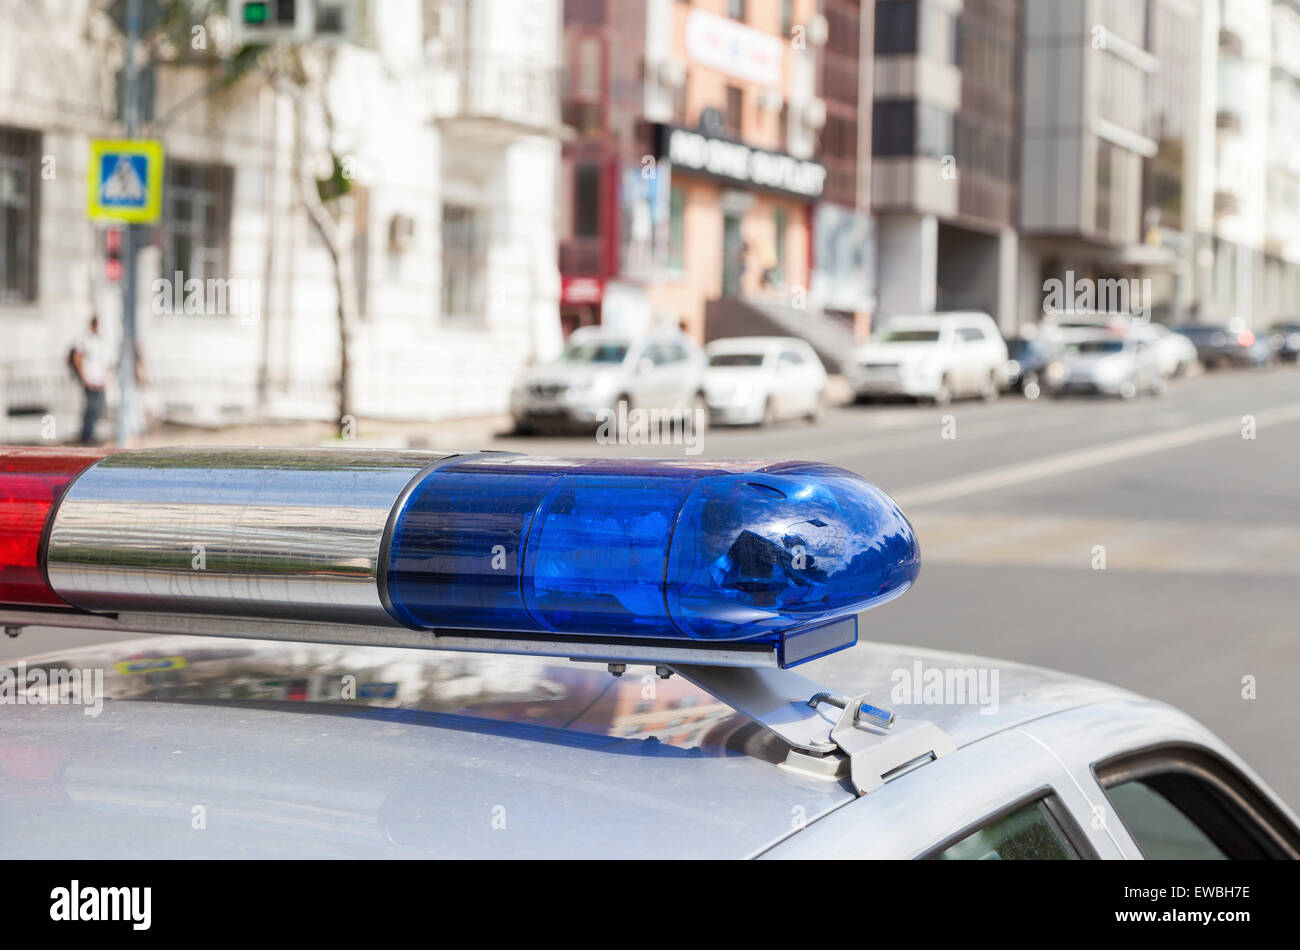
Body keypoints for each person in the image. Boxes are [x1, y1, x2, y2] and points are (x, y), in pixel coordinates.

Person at [72, 316, 109, 445]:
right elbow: (78, 359)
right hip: (89, 380)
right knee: (90, 408)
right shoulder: (85, 340)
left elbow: (103, 362)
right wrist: (84, 377)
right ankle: (86, 435)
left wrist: (104, 378)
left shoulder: (100, 341)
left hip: (99, 381)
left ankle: (91, 433)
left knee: (97, 409)